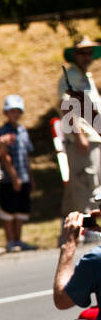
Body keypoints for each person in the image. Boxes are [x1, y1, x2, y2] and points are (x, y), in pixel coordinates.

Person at [58, 35, 101, 220]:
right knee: (86, 182)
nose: (87, 56)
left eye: (89, 53)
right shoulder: (70, 76)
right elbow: (67, 105)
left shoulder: (86, 77)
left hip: (94, 135)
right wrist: (78, 135)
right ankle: (89, 224)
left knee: (84, 183)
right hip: (84, 137)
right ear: (75, 55)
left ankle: (69, 228)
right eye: (82, 53)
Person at [0, 96, 35, 252]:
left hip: (24, 175)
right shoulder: (4, 132)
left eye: (17, 111)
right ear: (6, 112)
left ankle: (18, 239)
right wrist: (14, 176)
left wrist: (30, 177)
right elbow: (4, 156)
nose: (15, 114)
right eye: (12, 111)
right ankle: (10, 240)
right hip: (9, 179)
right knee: (9, 210)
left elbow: (26, 155)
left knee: (21, 210)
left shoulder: (23, 131)